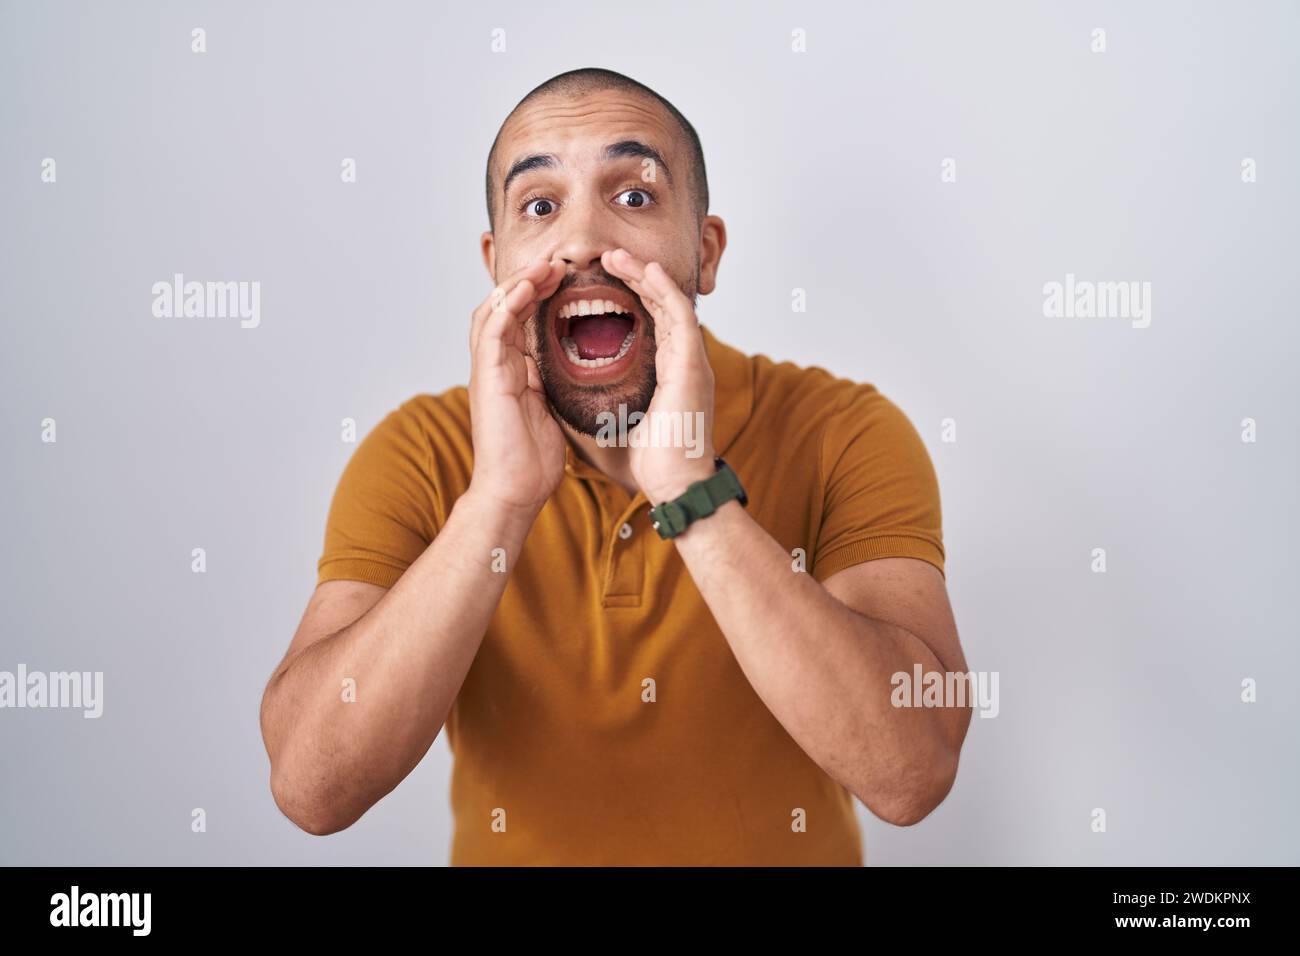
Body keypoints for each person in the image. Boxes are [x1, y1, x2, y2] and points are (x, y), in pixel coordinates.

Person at [259, 67, 971, 865]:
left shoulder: (844, 431)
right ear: (498, 264)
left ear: (704, 253)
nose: (583, 243)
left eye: (634, 197)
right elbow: (311, 790)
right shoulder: (419, 451)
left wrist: (690, 491)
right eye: (540, 205)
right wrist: (496, 503)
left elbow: (912, 773)